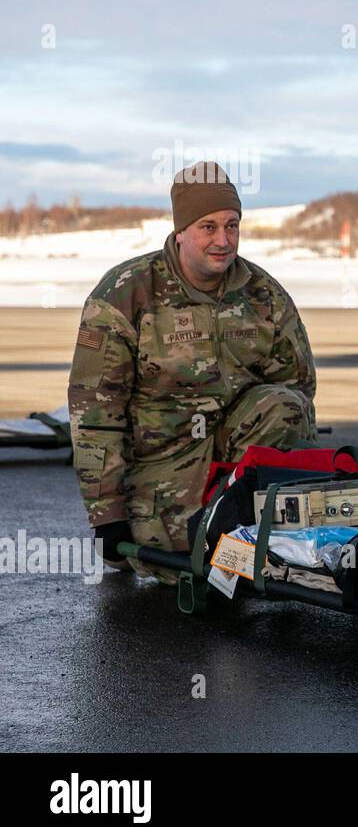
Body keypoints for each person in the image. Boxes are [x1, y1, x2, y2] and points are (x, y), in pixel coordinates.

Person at [68, 162, 317, 583]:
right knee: (179, 549)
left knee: (285, 407)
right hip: (161, 465)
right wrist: (105, 515)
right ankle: (228, 544)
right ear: (180, 230)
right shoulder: (126, 293)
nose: (223, 241)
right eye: (208, 227)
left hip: (234, 462)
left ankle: (254, 534)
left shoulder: (263, 295)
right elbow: (94, 412)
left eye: (232, 226)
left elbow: (298, 387)